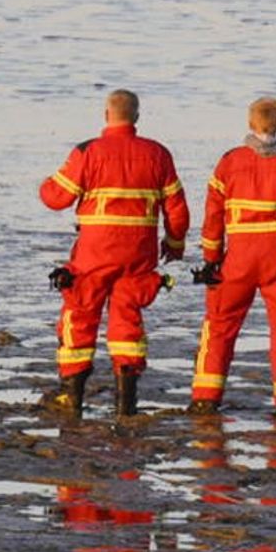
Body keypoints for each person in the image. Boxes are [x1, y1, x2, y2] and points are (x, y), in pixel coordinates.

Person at [40, 89, 189, 418]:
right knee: (127, 319)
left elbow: (55, 198)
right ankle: (126, 402)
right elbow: (177, 209)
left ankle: (72, 396)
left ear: (106, 115)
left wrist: (45, 184)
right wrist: (175, 244)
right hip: (138, 254)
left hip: (94, 253)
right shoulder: (158, 154)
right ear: (136, 117)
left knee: (79, 315)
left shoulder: (88, 151)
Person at [189, 96, 276, 421]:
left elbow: (213, 215)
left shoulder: (229, 162)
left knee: (220, 323)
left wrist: (211, 258)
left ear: (250, 123)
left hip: (239, 257)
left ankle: (205, 398)